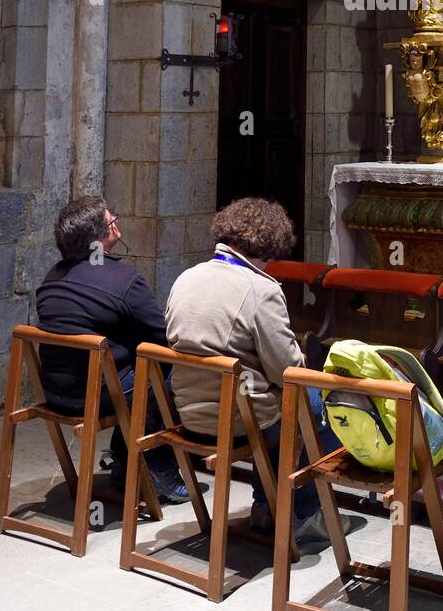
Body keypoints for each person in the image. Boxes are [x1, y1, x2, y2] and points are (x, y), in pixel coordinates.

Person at [165, 197, 343, 544]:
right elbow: (288, 370)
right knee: (318, 403)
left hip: (189, 413)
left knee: (277, 403)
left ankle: (266, 505)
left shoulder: (186, 277)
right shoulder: (261, 290)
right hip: (236, 421)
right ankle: (301, 515)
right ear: (270, 248)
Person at [36, 196, 189, 503]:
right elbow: (164, 335)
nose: (116, 223)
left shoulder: (52, 276)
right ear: (99, 237)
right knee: (172, 371)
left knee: (139, 373)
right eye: (111, 220)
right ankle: (157, 467)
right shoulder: (124, 279)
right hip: (93, 396)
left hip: (52, 393)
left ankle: (125, 458)